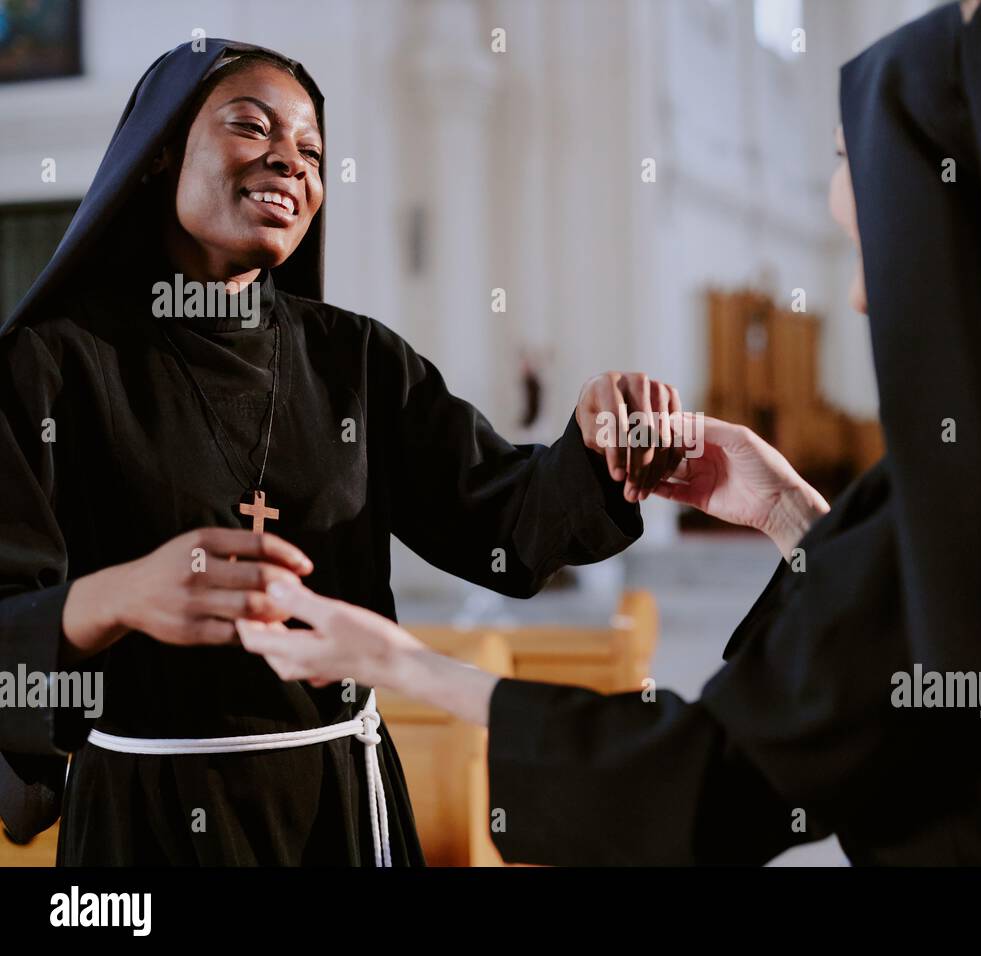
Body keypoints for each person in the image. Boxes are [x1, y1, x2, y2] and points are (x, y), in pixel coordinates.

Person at [241, 0, 981, 866]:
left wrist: (403, 661)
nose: (853, 292)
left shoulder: (951, 491)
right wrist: (790, 509)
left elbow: (703, 780)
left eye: (855, 185)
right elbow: (918, 650)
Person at [0, 40, 686, 866]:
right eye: (251, 128)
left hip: (340, 801)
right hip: (148, 817)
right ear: (158, 158)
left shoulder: (358, 361)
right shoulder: (51, 366)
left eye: (313, 152)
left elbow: (505, 519)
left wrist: (596, 450)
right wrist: (116, 597)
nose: (288, 161)